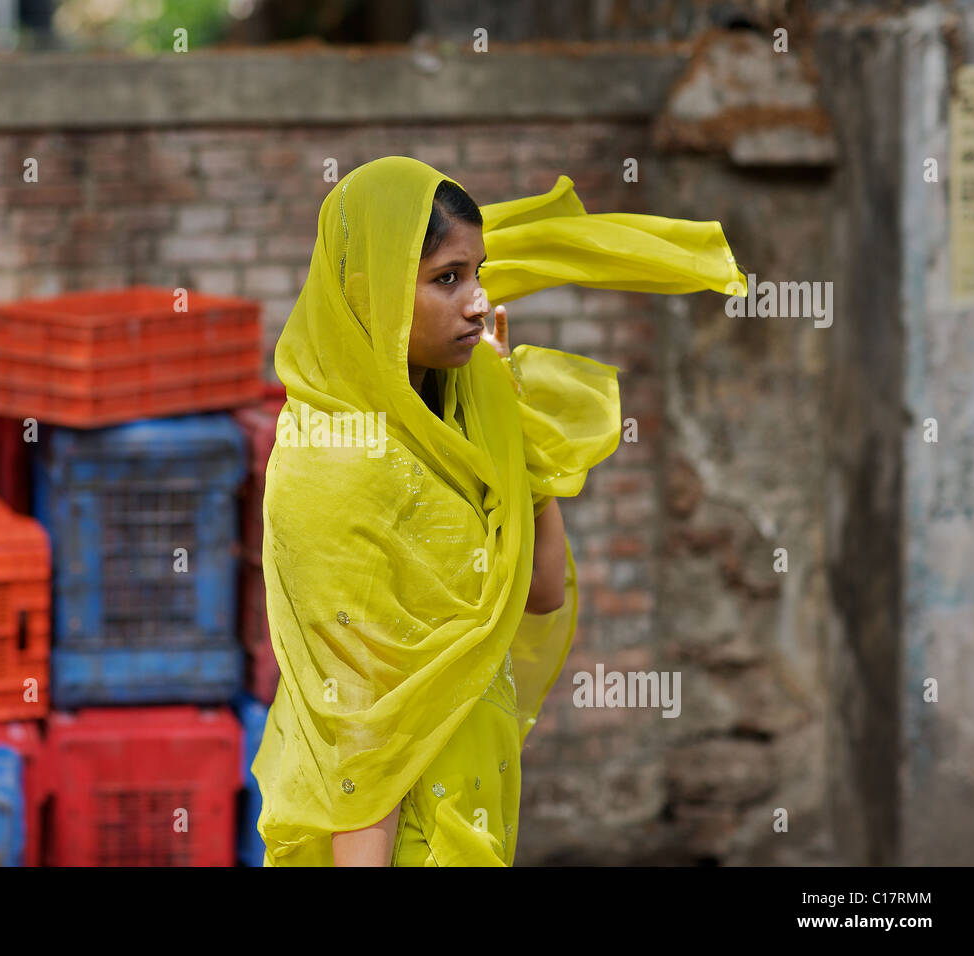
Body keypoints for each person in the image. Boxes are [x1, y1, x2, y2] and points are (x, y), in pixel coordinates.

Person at [252, 155, 746, 866]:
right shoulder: (334, 464)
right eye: (447, 279)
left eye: (477, 274)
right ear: (372, 293)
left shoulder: (453, 426)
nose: (478, 302)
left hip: (478, 816)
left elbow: (543, 591)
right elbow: (361, 735)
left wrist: (511, 425)